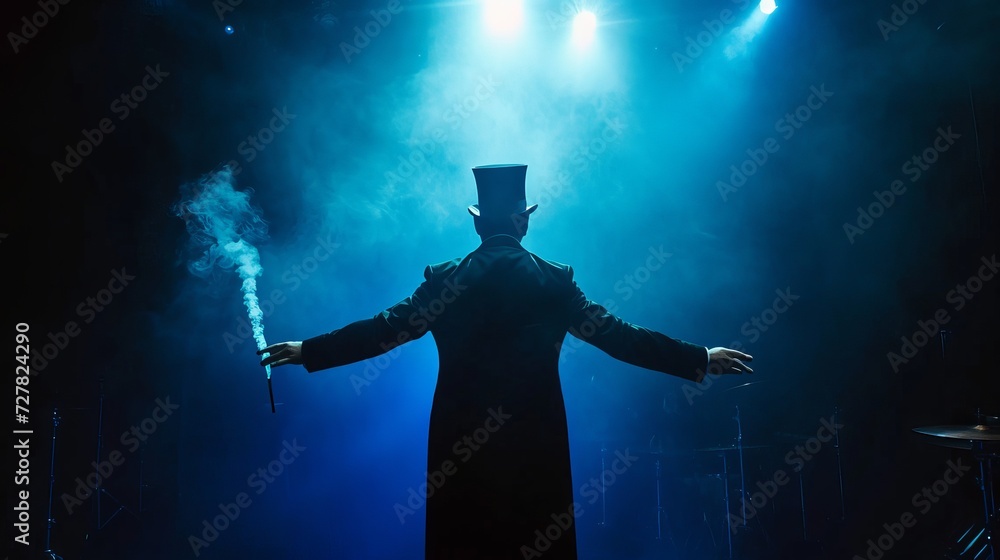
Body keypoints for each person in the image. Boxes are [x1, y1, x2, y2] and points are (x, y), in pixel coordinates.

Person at [259, 163, 753, 560]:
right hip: (535, 446)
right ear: (525, 219)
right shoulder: (554, 280)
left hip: (459, 445)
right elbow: (619, 338)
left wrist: (310, 351)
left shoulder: (445, 280)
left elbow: (384, 330)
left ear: (476, 220)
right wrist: (700, 358)